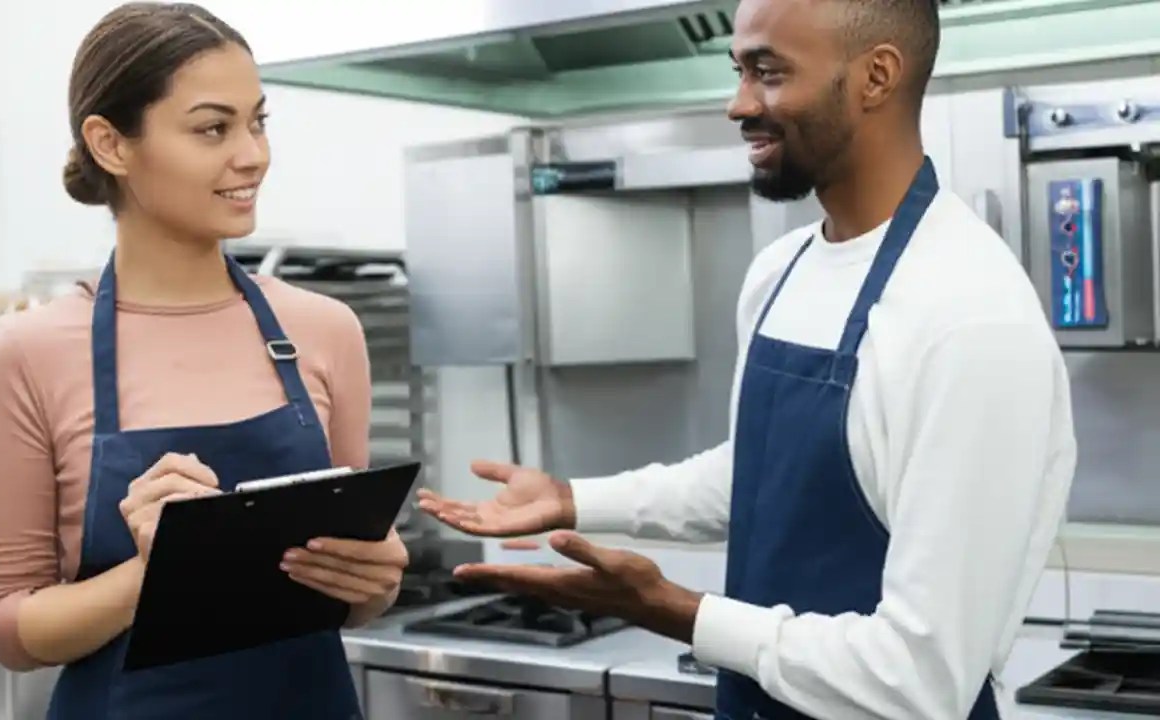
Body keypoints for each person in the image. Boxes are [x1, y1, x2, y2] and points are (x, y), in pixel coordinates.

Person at [418, 1, 1076, 718]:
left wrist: (676, 610)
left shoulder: (970, 317)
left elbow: (919, 678)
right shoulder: (780, 270)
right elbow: (763, 476)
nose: (738, 105)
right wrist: (575, 500)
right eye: (739, 71)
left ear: (876, 76)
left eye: (767, 72)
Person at [0, 4, 405, 718]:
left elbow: (351, 596)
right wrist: (155, 574)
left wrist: (374, 583)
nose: (252, 154)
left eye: (258, 122)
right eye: (212, 128)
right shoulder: (24, 355)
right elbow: (9, 627)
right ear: (111, 144)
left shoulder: (324, 331)